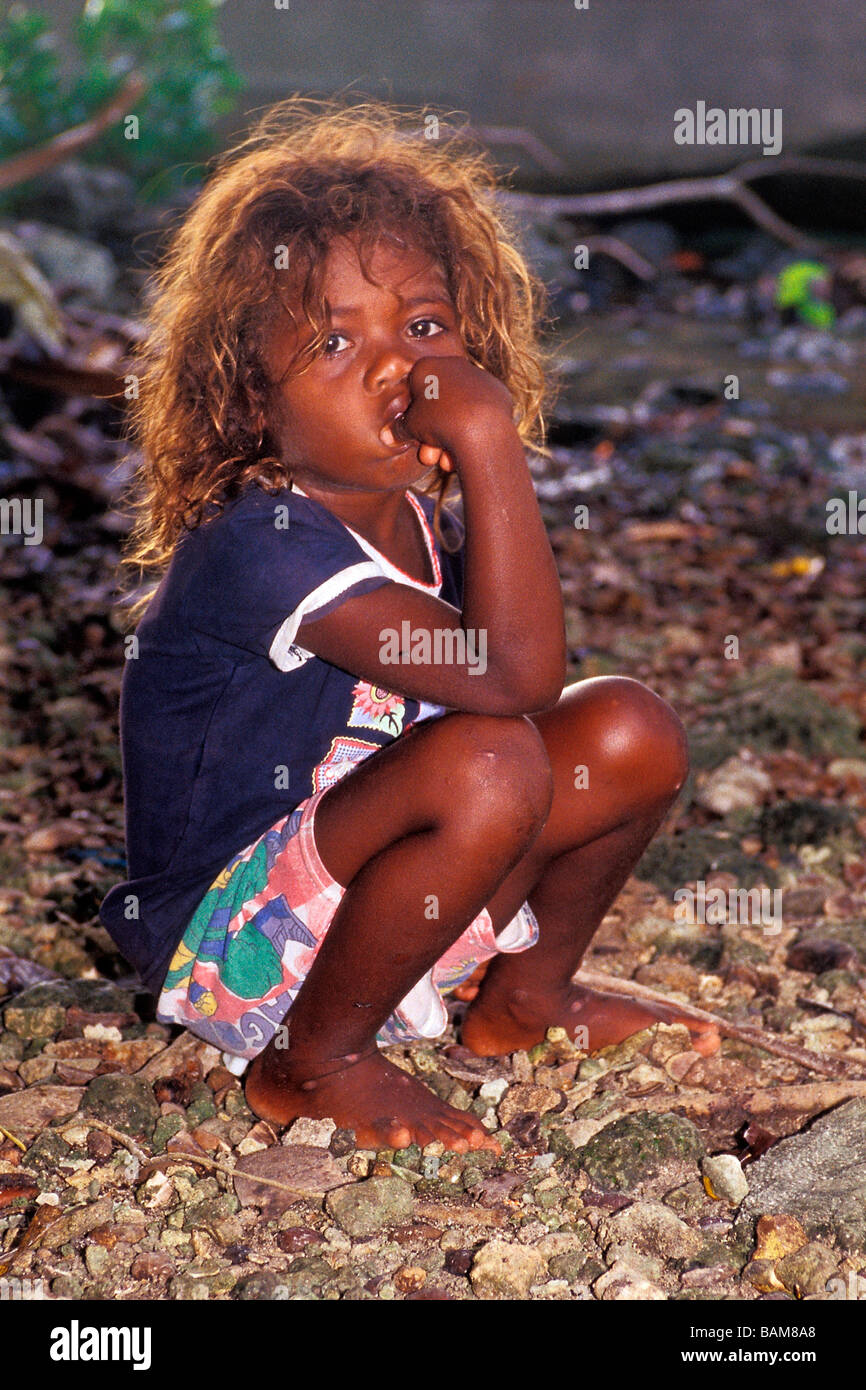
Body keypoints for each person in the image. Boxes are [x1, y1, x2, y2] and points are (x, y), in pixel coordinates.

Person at [100, 99, 718, 1155]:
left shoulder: (412, 520)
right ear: (253, 400)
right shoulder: (266, 543)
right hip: (231, 940)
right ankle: (314, 1061)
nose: (399, 366)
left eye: (423, 327)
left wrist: (478, 471)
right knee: (489, 757)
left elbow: (533, 677)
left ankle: (520, 999)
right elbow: (506, 678)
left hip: (381, 908)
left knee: (627, 730)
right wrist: (490, 445)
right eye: (336, 341)